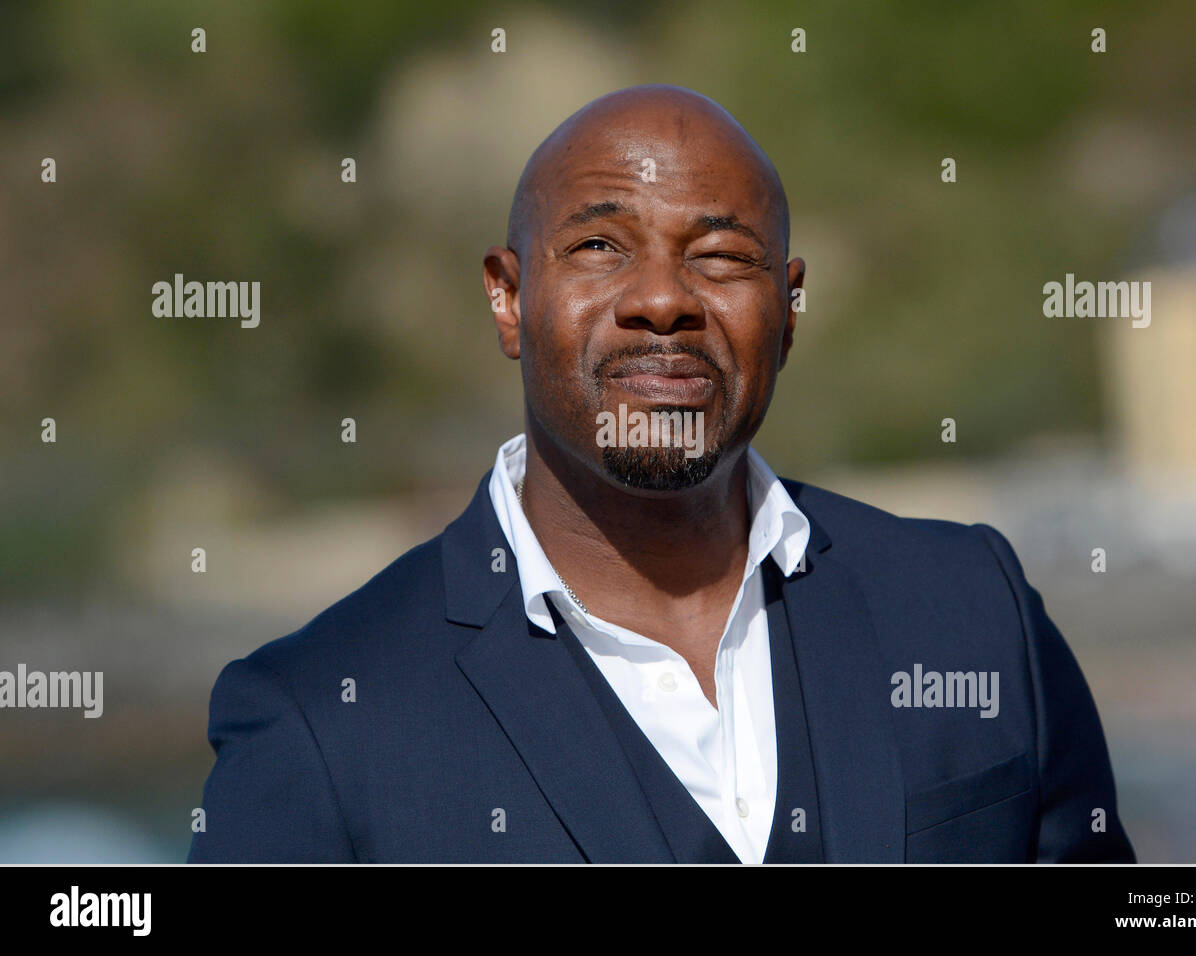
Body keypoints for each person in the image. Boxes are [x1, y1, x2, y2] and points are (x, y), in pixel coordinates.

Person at [188, 84, 1135, 863]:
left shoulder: (972, 611)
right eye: (601, 247)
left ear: (789, 308)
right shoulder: (322, 721)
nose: (661, 300)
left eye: (722, 257)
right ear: (509, 298)